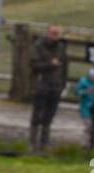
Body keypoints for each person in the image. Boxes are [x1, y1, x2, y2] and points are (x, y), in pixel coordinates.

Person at [29, 23, 67, 153]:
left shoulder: (61, 48)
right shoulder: (38, 46)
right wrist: (50, 65)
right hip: (42, 85)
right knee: (37, 115)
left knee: (49, 117)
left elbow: (64, 67)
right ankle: (32, 143)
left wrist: (63, 84)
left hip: (56, 86)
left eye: (57, 34)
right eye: (52, 33)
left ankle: (43, 145)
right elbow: (34, 65)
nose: (54, 36)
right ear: (47, 33)